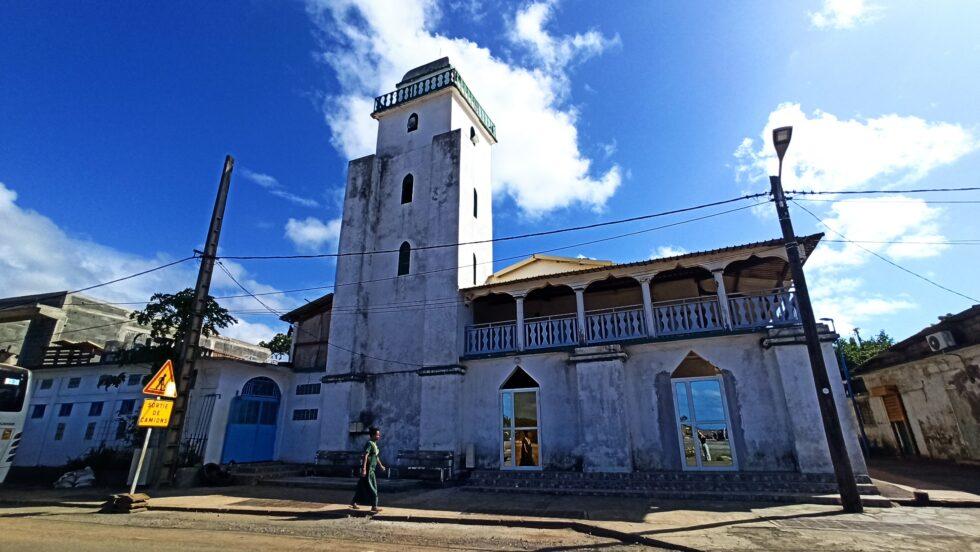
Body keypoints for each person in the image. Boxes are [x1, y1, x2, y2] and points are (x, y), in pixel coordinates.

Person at [350, 426, 386, 512]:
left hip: (372, 470)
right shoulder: (369, 443)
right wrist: (364, 469)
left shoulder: (374, 445)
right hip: (368, 470)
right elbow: (365, 456)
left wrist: (381, 466)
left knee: (362, 486)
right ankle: (374, 506)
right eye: (377, 435)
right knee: (373, 487)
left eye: (379, 435)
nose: (378, 436)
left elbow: (376, 457)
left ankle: (354, 502)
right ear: (372, 435)